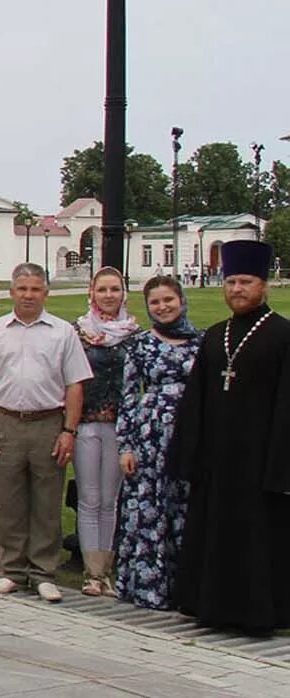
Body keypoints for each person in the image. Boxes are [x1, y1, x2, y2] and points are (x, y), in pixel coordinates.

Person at [171, 240, 290, 631]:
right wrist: (190, 453)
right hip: (217, 461)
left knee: (258, 538)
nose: (237, 289)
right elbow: (196, 399)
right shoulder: (215, 335)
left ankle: (258, 613)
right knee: (214, 533)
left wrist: (280, 466)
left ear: (264, 285)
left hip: (260, 461)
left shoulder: (282, 335)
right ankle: (211, 607)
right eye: (231, 281)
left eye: (246, 282)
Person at [0, 263, 89, 602]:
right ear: (12, 291)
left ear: (45, 293)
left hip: (48, 423)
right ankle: (12, 571)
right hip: (6, 421)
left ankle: (43, 572)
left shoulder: (62, 332)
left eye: (35, 289)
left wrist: (69, 430)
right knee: (8, 500)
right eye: (22, 289)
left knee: (46, 500)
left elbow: (75, 386)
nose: (28, 295)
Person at [113, 274, 200, 609]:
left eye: (168, 300)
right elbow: (129, 397)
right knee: (151, 510)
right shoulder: (140, 345)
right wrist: (126, 446)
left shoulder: (201, 343)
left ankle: (185, 586)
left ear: (180, 300)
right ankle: (149, 586)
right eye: (155, 302)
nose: (163, 307)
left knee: (185, 509)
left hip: (189, 435)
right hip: (150, 438)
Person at [73, 266, 138, 596]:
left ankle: (105, 569)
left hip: (120, 426)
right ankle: (91, 572)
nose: (109, 296)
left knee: (110, 501)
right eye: (103, 290)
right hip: (86, 423)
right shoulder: (80, 332)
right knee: (89, 497)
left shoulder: (134, 335)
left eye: (115, 289)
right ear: (92, 292)